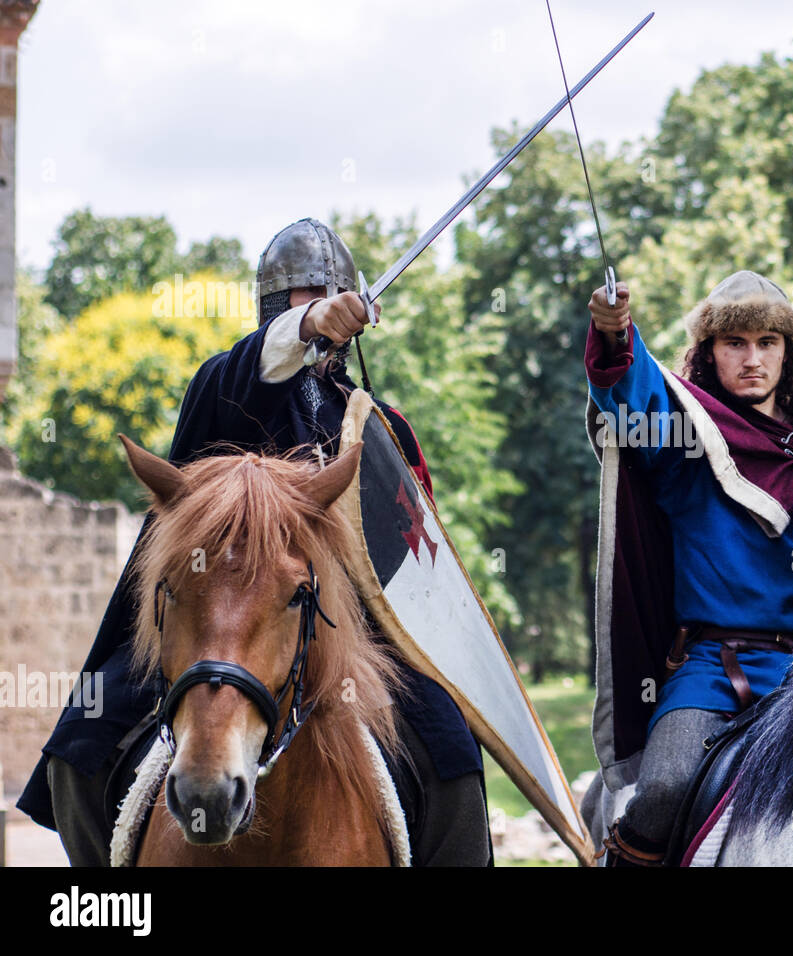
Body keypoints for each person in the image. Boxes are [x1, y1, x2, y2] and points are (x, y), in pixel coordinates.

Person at [18, 218, 491, 866]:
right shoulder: (229, 387)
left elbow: (413, 562)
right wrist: (307, 325)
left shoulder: (377, 429)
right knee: (77, 751)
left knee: (455, 756)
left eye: (328, 294)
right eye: (302, 296)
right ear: (276, 309)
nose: (318, 306)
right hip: (205, 622)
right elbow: (262, 361)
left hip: (342, 637)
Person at [583, 270, 793, 865]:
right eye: (735, 343)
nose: (753, 359)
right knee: (667, 787)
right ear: (709, 353)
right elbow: (635, 396)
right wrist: (615, 335)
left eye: (768, 343)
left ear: (788, 351)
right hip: (712, 668)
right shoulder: (687, 435)